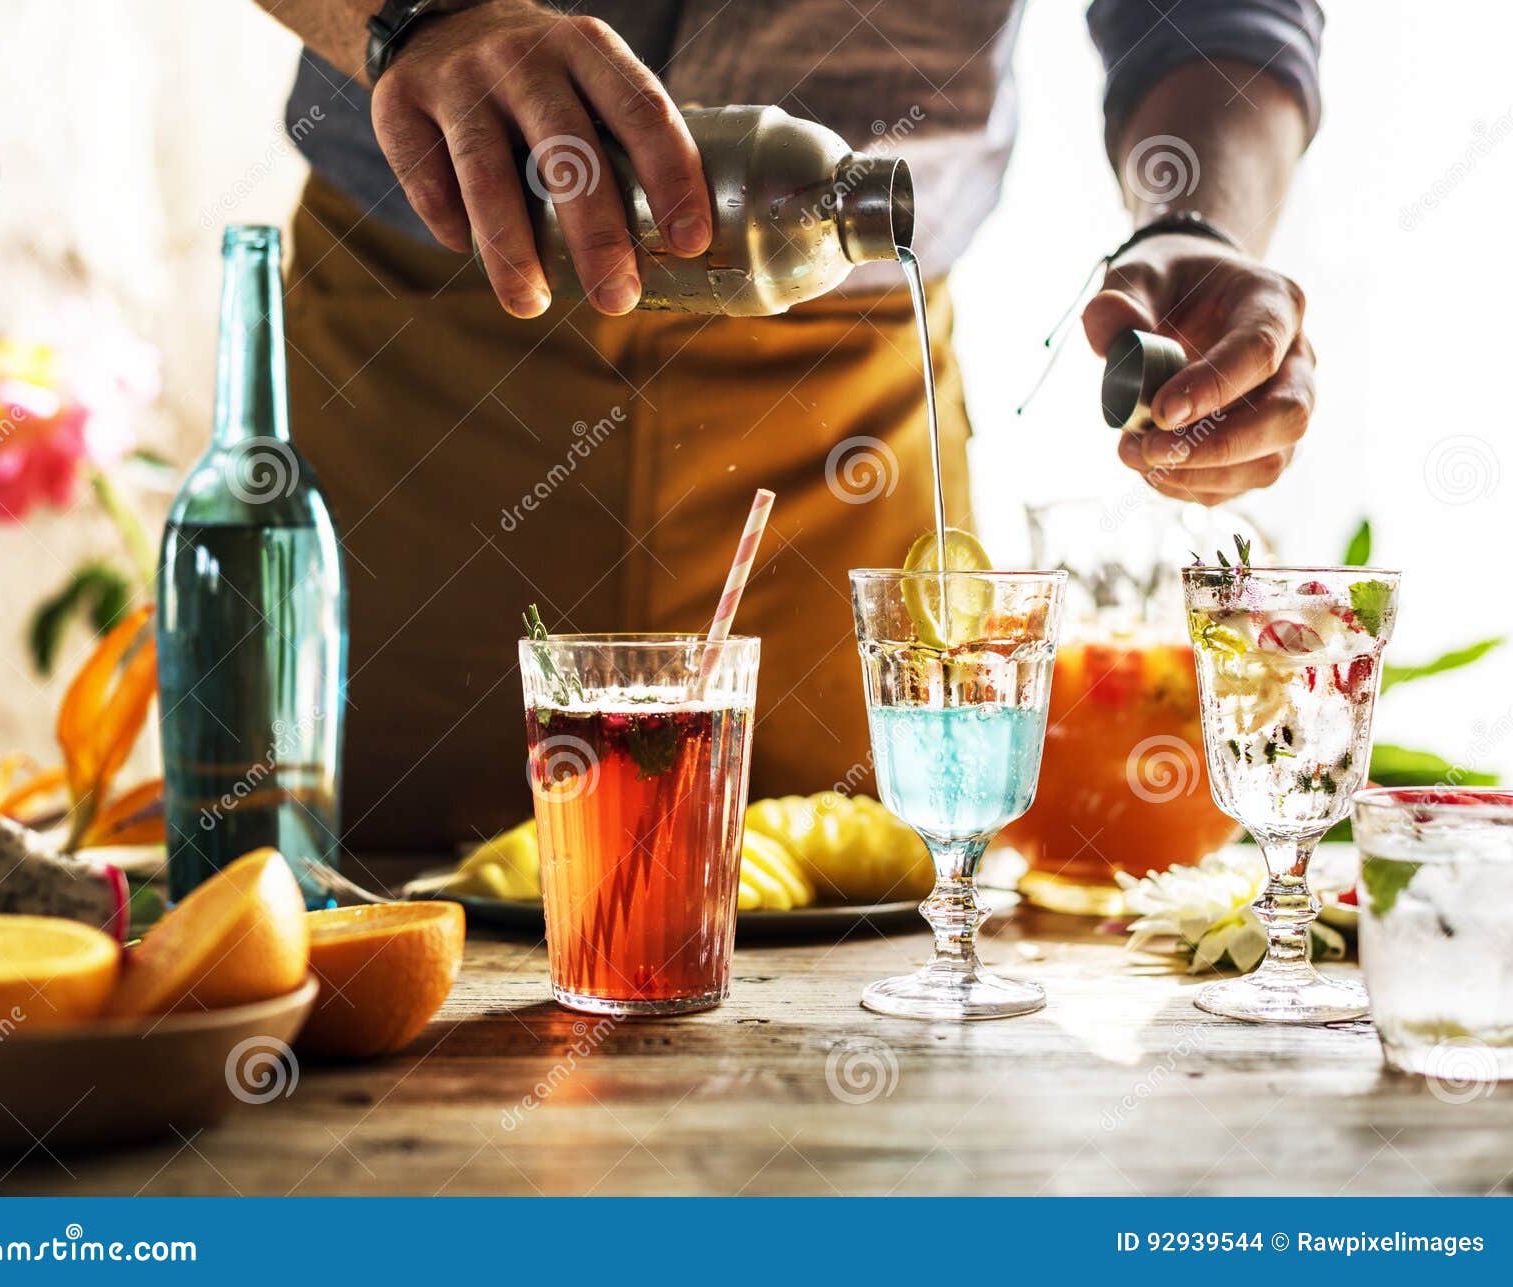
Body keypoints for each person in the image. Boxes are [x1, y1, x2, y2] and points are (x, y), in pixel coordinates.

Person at [256, 0, 1324, 852]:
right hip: (427, 339)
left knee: (862, 891)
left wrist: (1200, 221)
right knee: (363, 879)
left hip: (844, 387)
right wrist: (407, 17)